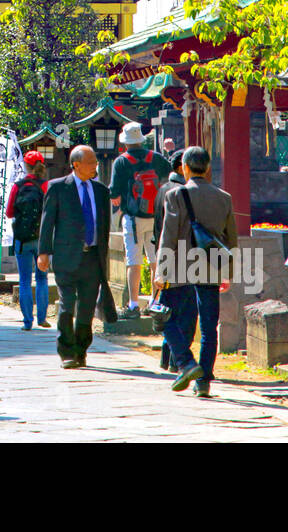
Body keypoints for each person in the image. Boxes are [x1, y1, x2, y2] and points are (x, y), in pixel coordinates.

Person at [154, 146, 238, 397]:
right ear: (208, 167)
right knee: (209, 326)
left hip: (180, 266)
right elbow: (230, 240)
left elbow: (168, 236)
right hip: (211, 267)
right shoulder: (224, 197)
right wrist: (228, 273)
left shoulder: (176, 195)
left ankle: (186, 362)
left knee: (165, 318)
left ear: (185, 168)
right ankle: (204, 381)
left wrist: (161, 270)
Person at [37, 145, 112, 369]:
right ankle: (66, 351)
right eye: (91, 162)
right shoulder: (58, 188)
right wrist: (43, 252)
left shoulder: (100, 190)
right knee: (67, 305)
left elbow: (104, 226)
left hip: (92, 258)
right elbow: (47, 222)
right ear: (76, 164)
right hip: (66, 256)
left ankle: (81, 350)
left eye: (96, 162)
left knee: (87, 309)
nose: (95, 166)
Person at [109, 123, 172, 318]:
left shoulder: (121, 162)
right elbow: (169, 179)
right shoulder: (157, 158)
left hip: (133, 218)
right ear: (141, 140)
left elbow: (114, 193)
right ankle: (155, 302)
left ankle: (133, 304)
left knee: (133, 261)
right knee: (155, 261)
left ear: (126, 143)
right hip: (156, 217)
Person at [151, 149, 189, 371]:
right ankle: (176, 361)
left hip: (164, 255)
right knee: (179, 313)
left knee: (168, 309)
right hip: (179, 258)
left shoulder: (162, 189)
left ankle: (167, 358)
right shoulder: (180, 192)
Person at [6, 150, 50, 330]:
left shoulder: (18, 186)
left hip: (22, 239)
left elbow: (9, 212)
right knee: (42, 278)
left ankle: (27, 321)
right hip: (42, 240)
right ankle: (42, 318)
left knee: (24, 280)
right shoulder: (47, 185)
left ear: (26, 165)